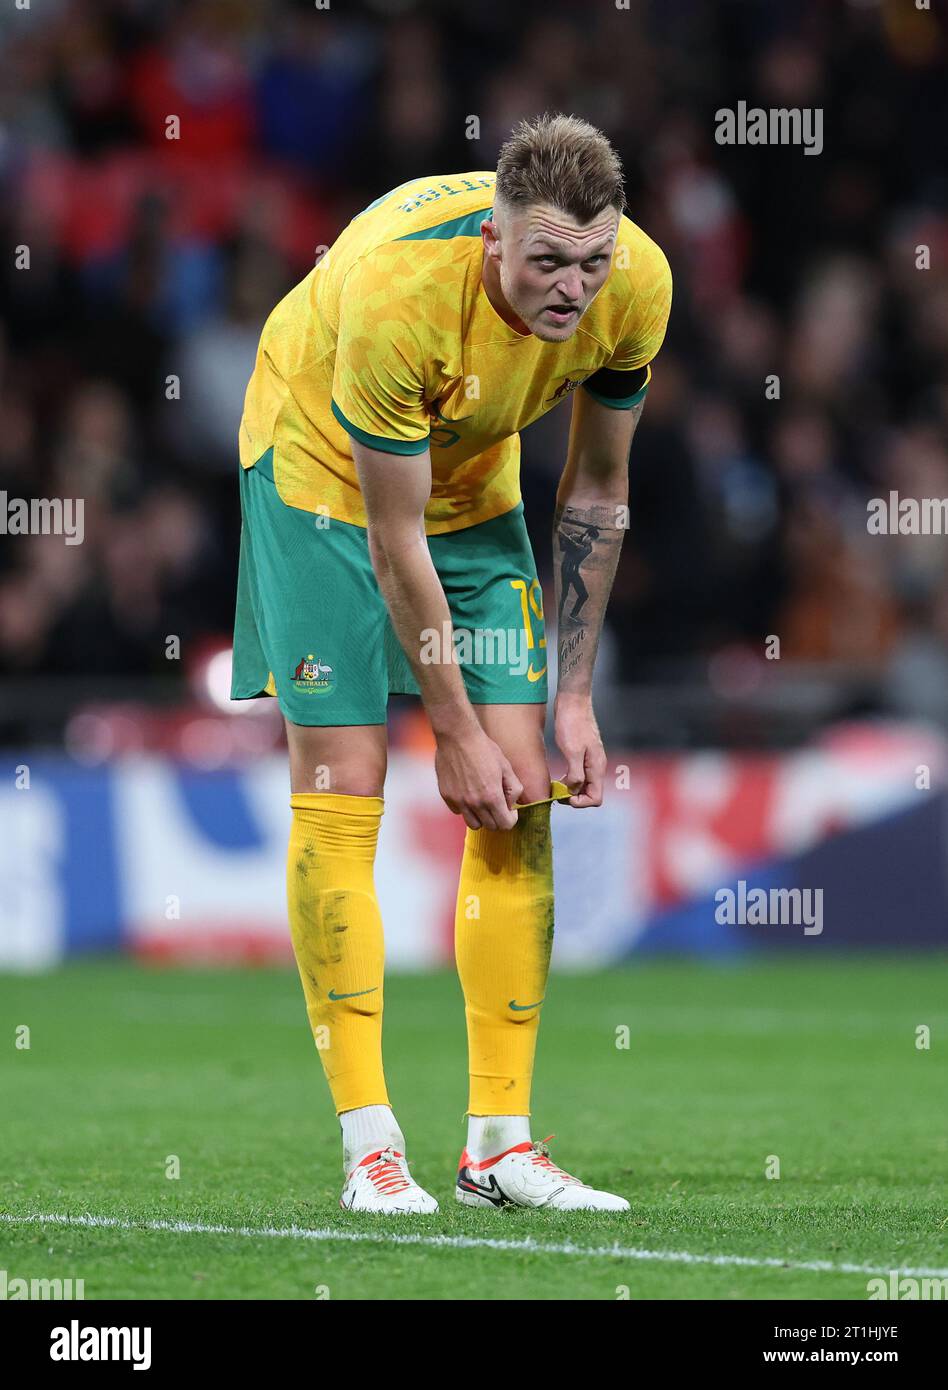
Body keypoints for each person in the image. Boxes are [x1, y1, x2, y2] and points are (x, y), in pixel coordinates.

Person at [231, 112, 672, 1212]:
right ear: (492, 243)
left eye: (591, 260)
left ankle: (498, 1149)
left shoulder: (639, 285)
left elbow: (600, 490)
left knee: (522, 794)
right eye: (546, 263)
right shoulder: (396, 295)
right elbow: (393, 542)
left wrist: (571, 692)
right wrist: (455, 728)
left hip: (473, 481)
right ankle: (371, 1146)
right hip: (322, 477)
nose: (573, 289)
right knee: (344, 792)